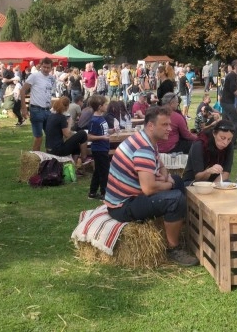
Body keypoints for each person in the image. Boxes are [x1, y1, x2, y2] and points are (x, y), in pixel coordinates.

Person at [105, 106, 199, 266]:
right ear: (150, 126)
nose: (170, 128)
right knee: (175, 199)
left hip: (130, 196)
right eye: (165, 125)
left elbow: (160, 165)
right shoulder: (143, 148)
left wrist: (166, 177)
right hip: (122, 206)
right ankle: (173, 248)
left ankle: (180, 225)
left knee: (177, 181)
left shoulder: (146, 139)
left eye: (169, 124)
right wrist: (167, 183)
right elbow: (148, 188)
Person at [21, 58, 56, 151]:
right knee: (38, 138)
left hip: (47, 110)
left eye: (48, 67)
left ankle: (48, 160)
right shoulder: (34, 76)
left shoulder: (52, 78)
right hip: (36, 110)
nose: (45, 69)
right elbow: (23, 90)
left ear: (51, 68)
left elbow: (50, 94)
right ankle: (34, 161)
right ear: (40, 66)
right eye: (44, 67)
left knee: (51, 135)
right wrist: (24, 108)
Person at [45, 96, 91, 166]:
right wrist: (69, 123)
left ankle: (74, 165)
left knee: (75, 143)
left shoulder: (50, 116)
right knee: (83, 133)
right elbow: (67, 135)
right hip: (58, 150)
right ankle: (84, 158)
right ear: (66, 107)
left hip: (49, 148)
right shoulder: (61, 117)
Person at [87, 95, 111, 200]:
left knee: (98, 171)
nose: (107, 106)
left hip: (104, 147)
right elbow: (90, 136)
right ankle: (104, 193)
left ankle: (92, 192)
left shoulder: (102, 118)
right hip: (99, 149)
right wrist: (102, 137)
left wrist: (113, 130)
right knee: (104, 171)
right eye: (105, 104)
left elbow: (104, 131)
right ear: (100, 106)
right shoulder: (94, 120)